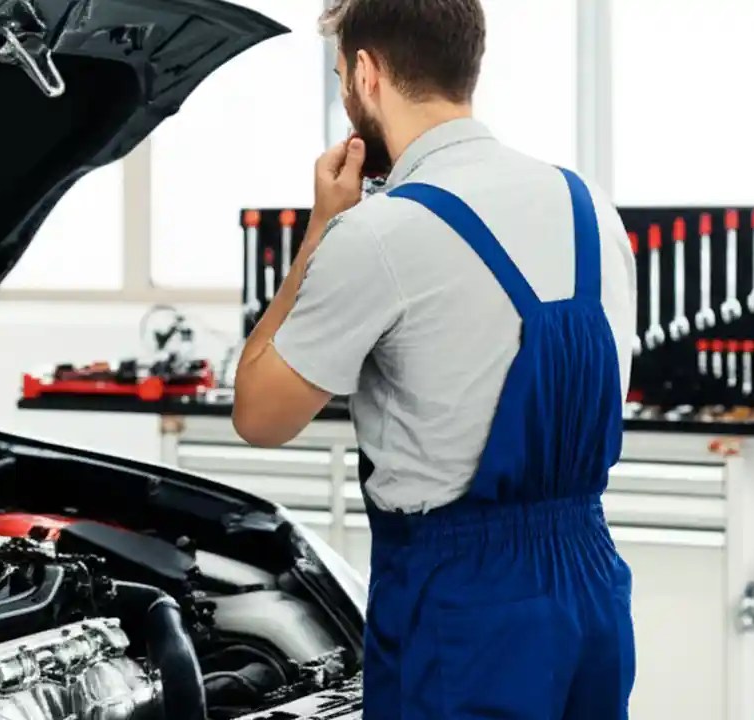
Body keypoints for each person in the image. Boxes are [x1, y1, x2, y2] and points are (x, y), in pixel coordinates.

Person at [231, 0, 639, 717]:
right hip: (592, 587)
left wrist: (323, 228)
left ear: (366, 72)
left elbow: (259, 415)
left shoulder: (380, 233)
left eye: (339, 77)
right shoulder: (591, 207)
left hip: (460, 604)